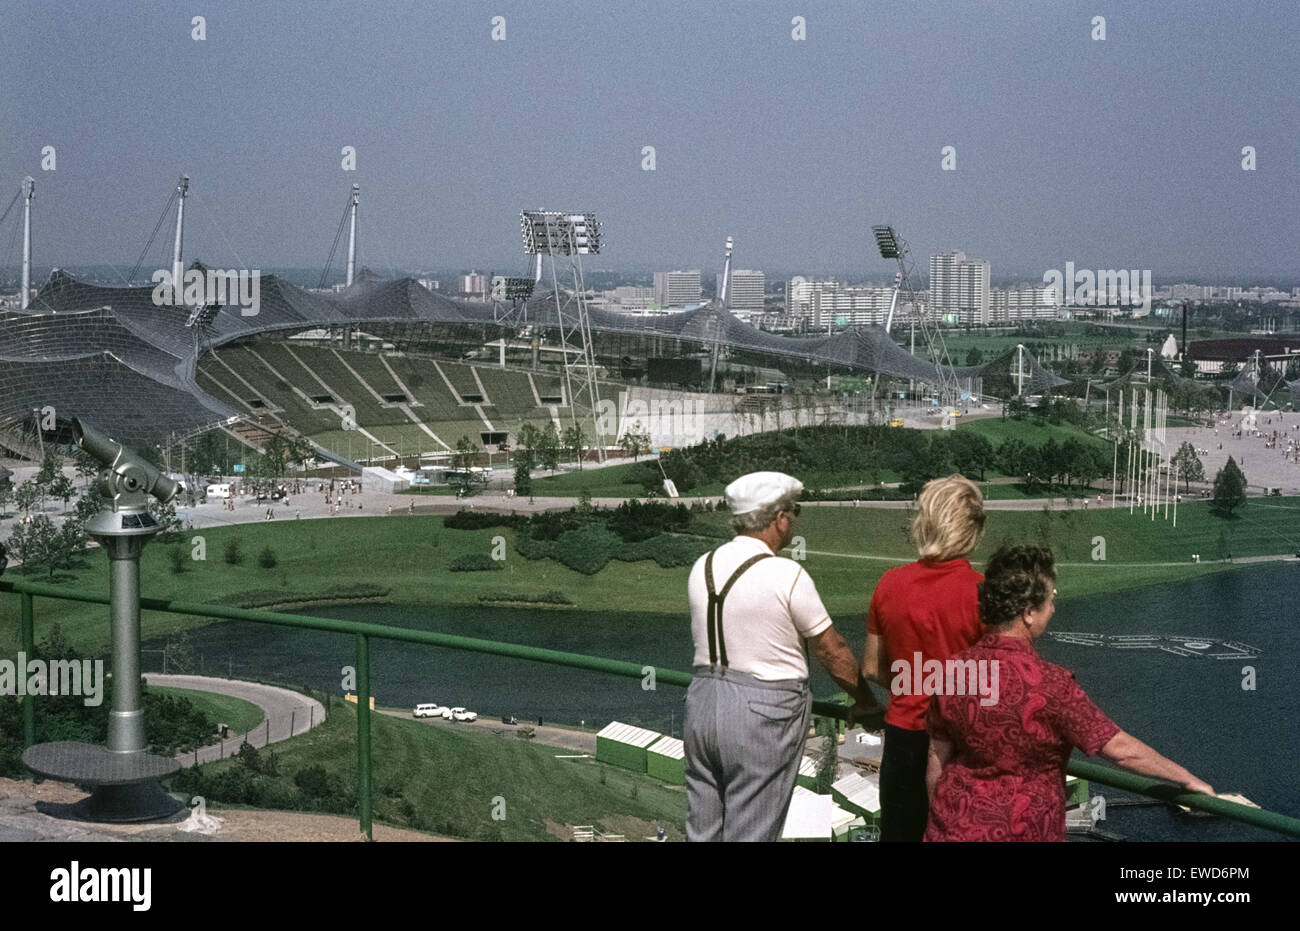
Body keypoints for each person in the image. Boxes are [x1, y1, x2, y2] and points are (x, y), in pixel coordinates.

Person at [925, 545, 1213, 842]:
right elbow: (1120, 751)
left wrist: (943, 819)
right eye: (1051, 599)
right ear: (1028, 612)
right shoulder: (1052, 685)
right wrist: (1185, 777)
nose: (1053, 608)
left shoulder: (951, 671)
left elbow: (936, 756)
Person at [684, 471, 876, 842]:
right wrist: (866, 701)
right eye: (794, 513)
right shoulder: (786, 573)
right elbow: (832, 649)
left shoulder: (702, 567)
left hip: (702, 703)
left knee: (703, 830)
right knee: (751, 831)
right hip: (763, 713)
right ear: (779, 518)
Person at [860, 474, 986, 842]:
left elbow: (871, 668)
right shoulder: (983, 592)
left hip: (903, 738)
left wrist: (916, 682)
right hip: (962, 744)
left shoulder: (890, 583)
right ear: (972, 528)